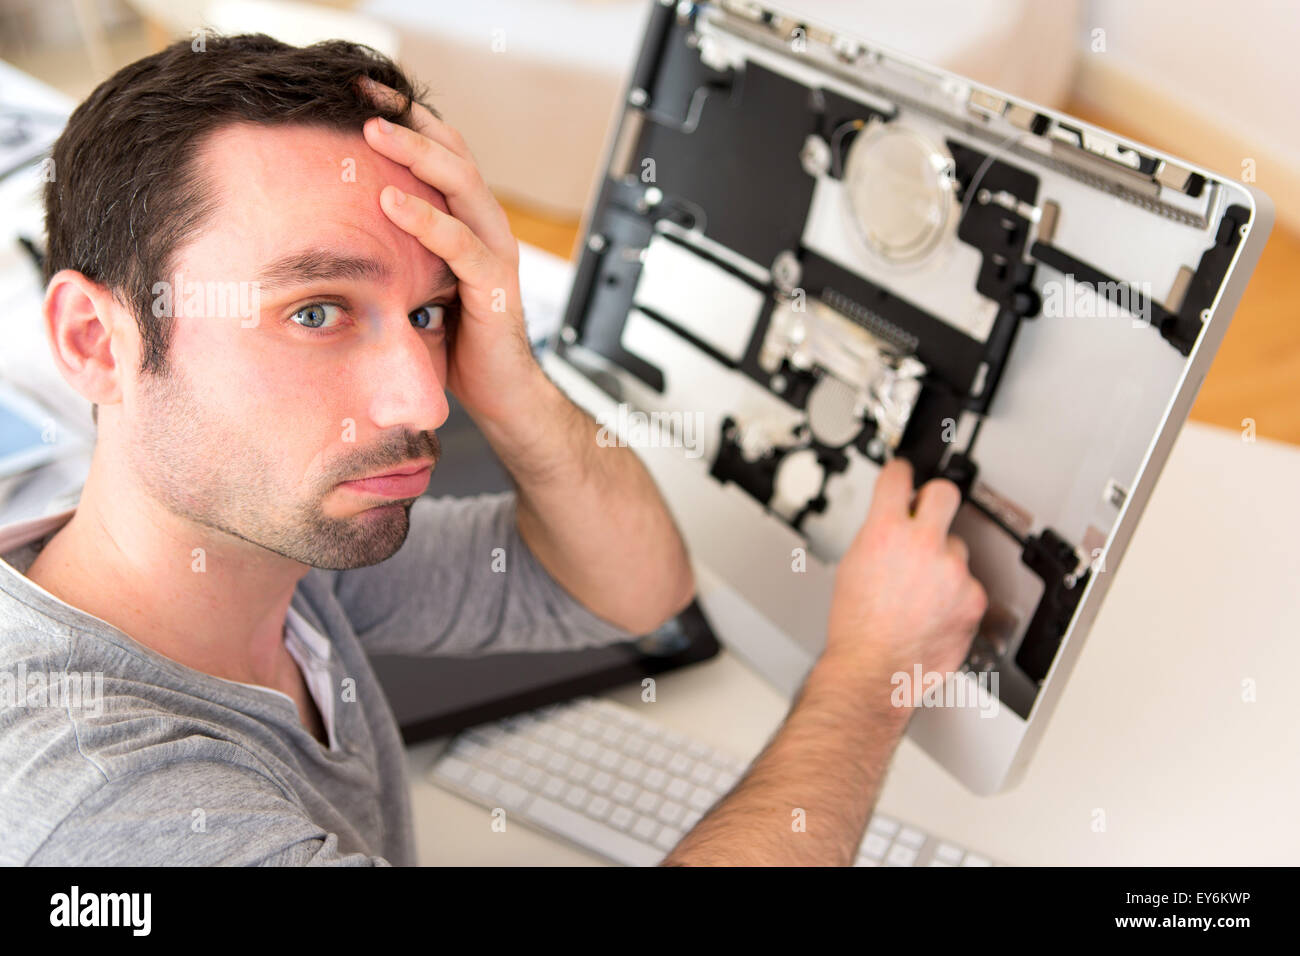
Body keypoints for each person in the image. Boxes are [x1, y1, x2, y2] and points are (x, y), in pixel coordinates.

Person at [0, 34, 984, 866]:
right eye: (315, 310)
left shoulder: (267, 561)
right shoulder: (102, 800)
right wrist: (872, 672)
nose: (423, 397)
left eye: (429, 311)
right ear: (96, 342)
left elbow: (633, 588)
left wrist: (510, 373)